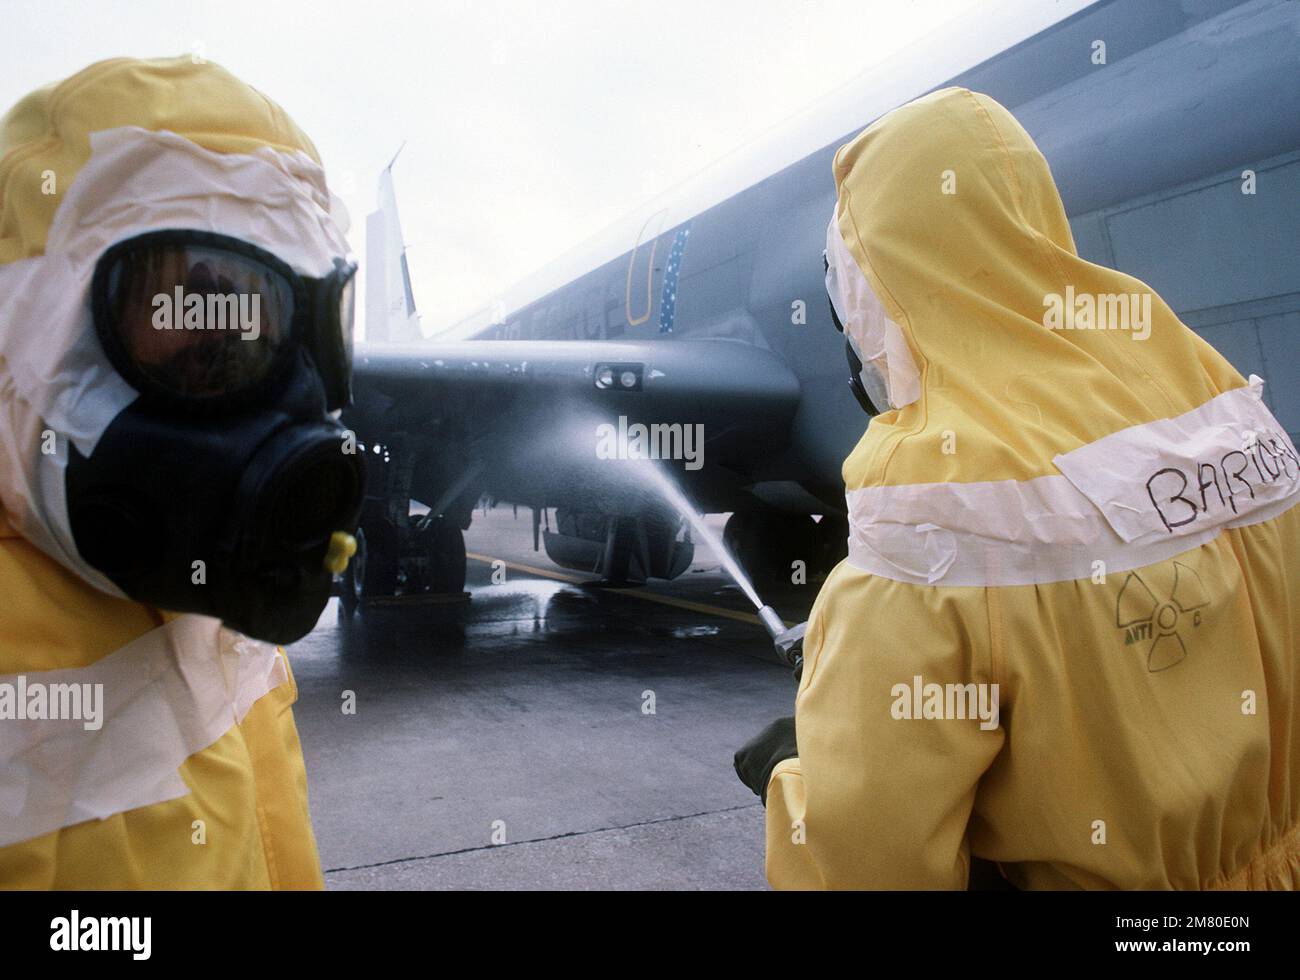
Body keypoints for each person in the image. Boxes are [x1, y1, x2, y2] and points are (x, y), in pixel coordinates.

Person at [736, 86, 1300, 889]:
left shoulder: (932, 509)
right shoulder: (1211, 393)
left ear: (874, 283)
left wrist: (793, 778)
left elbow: (869, 866)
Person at [0, 57, 365, 888]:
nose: (298, 396)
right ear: (27, 338)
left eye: (315, 329)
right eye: (207, 342)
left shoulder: (216, 608)